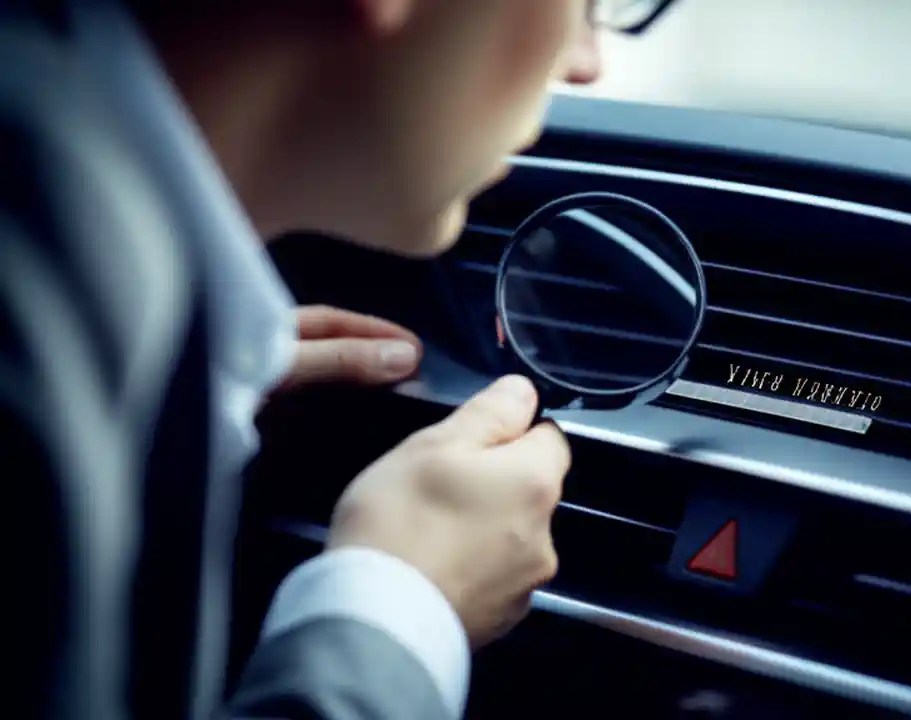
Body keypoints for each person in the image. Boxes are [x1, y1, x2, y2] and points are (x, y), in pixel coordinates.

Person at [0, 0, 672, 718]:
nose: (585, 63)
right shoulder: (28, 298)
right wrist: (396, 610)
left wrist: (174, 406)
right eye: (587, 6)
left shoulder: (61, 199)